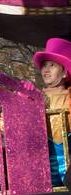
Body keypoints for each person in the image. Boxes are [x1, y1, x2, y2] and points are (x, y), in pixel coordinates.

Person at [33, 38, 71, 186]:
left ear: (64, 73)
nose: (46, 70)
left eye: (52, 65)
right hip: (42, 171)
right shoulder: (32, 98)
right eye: (44, 65)